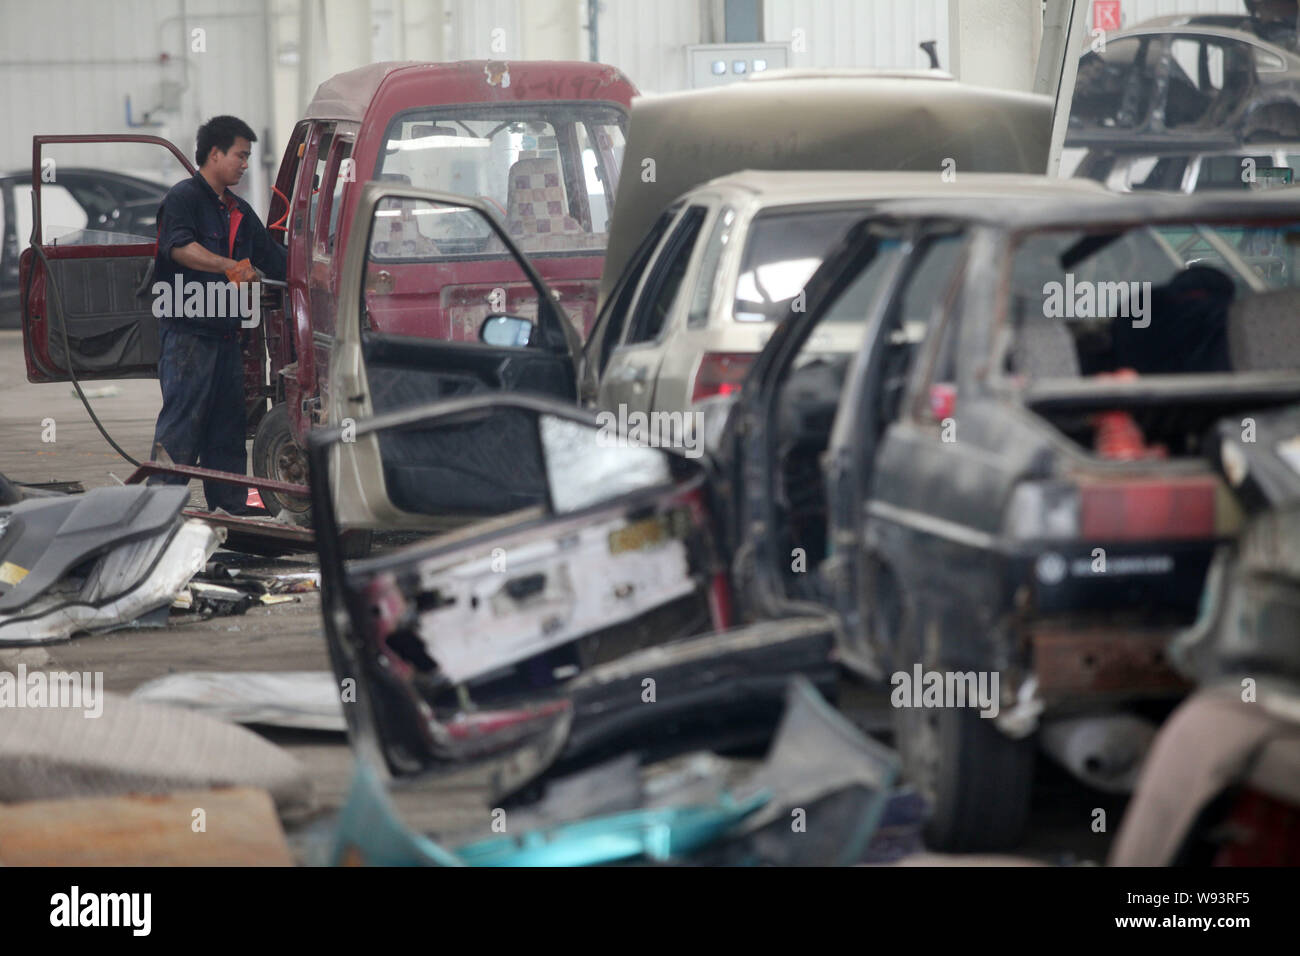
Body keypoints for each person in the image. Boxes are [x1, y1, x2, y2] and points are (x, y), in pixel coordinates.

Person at [149, 115, 286, 513]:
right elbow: (178, 248)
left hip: (228, 339)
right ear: (215, 153)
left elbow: (275, 260)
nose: (245, 163)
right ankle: (159, 513)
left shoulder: (240, 211)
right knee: (181, 427)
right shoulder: (182, 200)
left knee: (226, 430)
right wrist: (228, 265)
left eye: (247, 157)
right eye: (240, 155)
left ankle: (230, 510)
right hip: (188, 336)